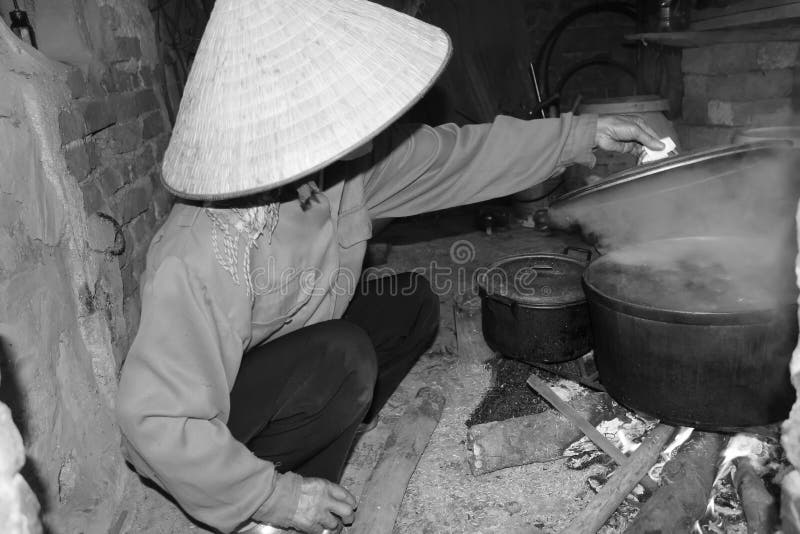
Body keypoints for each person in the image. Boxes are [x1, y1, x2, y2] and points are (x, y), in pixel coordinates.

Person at [115, 1, 664, 533]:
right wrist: (275, 498)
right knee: (344, 356)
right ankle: (277, 503)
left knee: (409, 303)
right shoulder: (205, 246)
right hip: (220, 425)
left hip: (283, 366)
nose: (378, 112)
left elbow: (457, 157)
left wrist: (578, 136)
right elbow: (155, 424)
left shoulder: (339, 175)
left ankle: (332, 418)